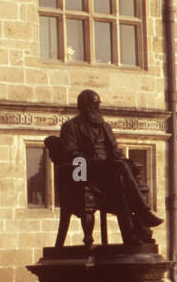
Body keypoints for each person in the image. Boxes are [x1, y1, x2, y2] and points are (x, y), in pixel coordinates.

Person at [59, 90, 163, 245]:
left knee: (120, 182)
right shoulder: (71, 126)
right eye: (94, 105)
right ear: (84, 106)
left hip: (109, 174)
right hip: (86, 173)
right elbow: (71, 154)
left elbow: (115, 151)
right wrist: (93, 163)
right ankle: (144, 212)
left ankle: (130, 237)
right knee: (119, 169)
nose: (97, 108)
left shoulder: (105, 127)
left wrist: (129, 163)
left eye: (98, 105)